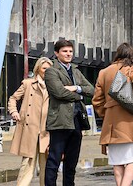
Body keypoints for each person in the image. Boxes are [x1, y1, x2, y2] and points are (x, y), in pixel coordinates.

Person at [94, 43, 133, 186]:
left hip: (112, 125)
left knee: (118, 162)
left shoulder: (104, 72)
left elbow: (97, 101)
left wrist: (107, 115)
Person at [44, 38, 95, 186]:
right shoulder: (51, 71)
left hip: (77, 120)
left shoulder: (75, 71)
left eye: (70, 51)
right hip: (60, 120)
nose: (68, 54)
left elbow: (91, 90)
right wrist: (80, 96)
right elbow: (59, 92)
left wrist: (76, 88)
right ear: (56, 53)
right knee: (54, 159)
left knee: (72, 161)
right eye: (65, 51)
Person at [8, 57, 52, 186]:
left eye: (49, 69)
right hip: (30, 128)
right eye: (44, 68)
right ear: (38, 69)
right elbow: (13, 98)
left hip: (46, 130)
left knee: (46, 166)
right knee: (27, 164)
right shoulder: (28, 84)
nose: (47, 71)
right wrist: (14, 112)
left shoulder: (53, 85)